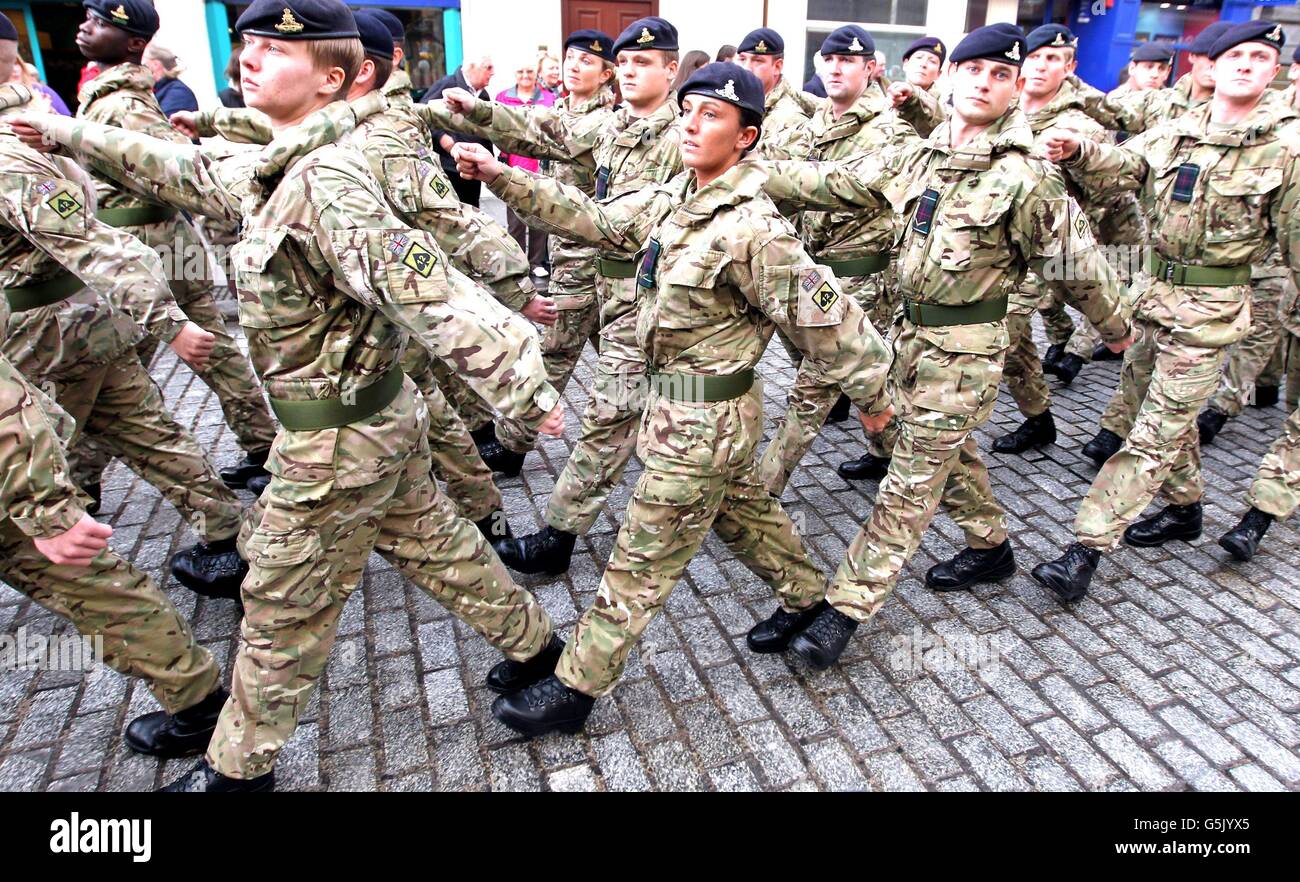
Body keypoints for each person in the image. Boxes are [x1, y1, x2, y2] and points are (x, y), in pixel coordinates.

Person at [17, 0, 570, 792]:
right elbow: (181, 169)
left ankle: (239, 772)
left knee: (278, 602)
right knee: (439, 549)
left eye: (276, 50)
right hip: (372, 423)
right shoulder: (277, 164)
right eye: (246, 45)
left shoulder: (327, 182)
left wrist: (523, 385)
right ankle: (539, 651)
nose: (249, 58)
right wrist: (66, 133)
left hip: (336, 443)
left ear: (335, 78)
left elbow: (428, 289)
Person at [455, 62, 892, 736]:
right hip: (682, 414)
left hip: (705, 425)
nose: (690, 123)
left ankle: (576, 687)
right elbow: (593, 216)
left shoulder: (755, 229)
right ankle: (807, 600)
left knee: (640, 559)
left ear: (746, 137)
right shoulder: (676, 198)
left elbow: (832, 323)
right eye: (687, 110)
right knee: (741, 514)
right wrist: (500, 176)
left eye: (711, 115)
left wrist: (874, 399)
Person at [757, 23, 1131, 668]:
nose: (984, 83)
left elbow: (1076, 265)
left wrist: (1117, 330)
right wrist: (752, 169)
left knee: (909, 480)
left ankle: (843, 607)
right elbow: (836, 183)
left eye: (1000, 75)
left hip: (966, 350)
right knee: (932, 452)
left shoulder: (1026, 175)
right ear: (952, 77)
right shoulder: (919, 156)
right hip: (905, 336)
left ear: (1016, 88)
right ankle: (990, 546)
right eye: (974, 70)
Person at [1033, 21, 1300, 603]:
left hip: (1211, 314)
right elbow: (1122, 168)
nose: (1247, 65)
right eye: (1236, 54)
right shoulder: (1178, 131)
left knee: (1152, 432)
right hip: (1153, 300)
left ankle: (1086, 548)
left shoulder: (1288, 147)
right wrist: (1079, 150)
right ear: (1210, 65)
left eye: (1260, 57)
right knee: (1160, 416)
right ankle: (1185, 509)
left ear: (1273, 71)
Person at [423, 17, 685, 571]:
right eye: (629, 62)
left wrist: (499, 177)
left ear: (671, 69)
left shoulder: (681, 137)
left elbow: (606, 220)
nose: (635, 70)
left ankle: (559, 534)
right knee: (591, 378)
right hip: (600, 283)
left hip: (649, 295)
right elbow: (547, 130)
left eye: (647, 62)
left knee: (612, 412)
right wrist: (480, 113)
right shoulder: (613, 126)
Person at [69, 0, 280, 518]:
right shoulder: (111, 96)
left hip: (147, 248)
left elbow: (179, 170)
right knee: (164, 355)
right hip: (151, 244)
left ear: (134, 43)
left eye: (99, 22)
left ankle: (78, 479)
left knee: (115, 367)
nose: (84, 27)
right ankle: (261, 443)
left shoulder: (124, 104)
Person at [0, 343, 230, 761]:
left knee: (93, 584)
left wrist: (45, 507)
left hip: (54, 356)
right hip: (75, 343)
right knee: (153, 438)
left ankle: (200, 706)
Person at [753, 25, 915, 494]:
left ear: (870, 69)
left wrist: (764, 172)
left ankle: (765, 490)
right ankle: (889, 448)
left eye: (849, 61)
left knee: (814, 385)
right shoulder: (812, 124)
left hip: (859, 277)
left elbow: (852, 187)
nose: (837, 68)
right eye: (829, 59)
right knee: (856, 376)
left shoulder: (890, 130)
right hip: (811, 272)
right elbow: (782, 190)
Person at [990, 24, 1147, 457]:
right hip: (1001, 248)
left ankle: (1053, 407)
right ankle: (1038, 418)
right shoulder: (1007, 109)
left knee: (1010, 326)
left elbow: (1108, 195)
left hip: (1050, 248)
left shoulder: (1078, 124)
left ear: (1070, 67)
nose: (1041, 66)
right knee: (1010, 335)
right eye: (1035, 58)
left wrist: (1076, 156)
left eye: (1053, 60)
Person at [496, 56, 556, 275]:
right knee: (515, 219)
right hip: (513, 164)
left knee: (539, 217)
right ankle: (518, 262)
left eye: (529, 71)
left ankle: (536, 262)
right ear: (515, 75)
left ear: (535, 74)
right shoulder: (503, 97)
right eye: (520, 72)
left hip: (540, 164)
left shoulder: (548, 98)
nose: (525, 76)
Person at [420, 52, 494, 206]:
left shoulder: (483, 95)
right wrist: (442, 137)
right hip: (449, 167)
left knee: (473, 211)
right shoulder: (448, 85)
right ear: (472, 67)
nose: (492, 72)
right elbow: (422, 114)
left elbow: (485, 133)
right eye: (488, 68)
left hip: (472, 169)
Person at [733, 27, 812, 156]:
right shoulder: (736, 104)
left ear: (777, 67)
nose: (746, 68)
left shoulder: (790, 119)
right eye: (742, 59)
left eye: (757, 60)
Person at [143, 42, 198, 116]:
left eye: (142, 63)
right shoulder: (158, 90)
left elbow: (166, 124)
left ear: (155, 64)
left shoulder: (177, 92)